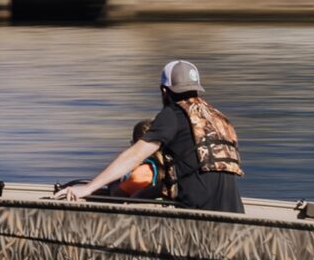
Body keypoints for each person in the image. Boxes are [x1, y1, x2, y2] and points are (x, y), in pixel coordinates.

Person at [61, 60, 244, 213]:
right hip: (233, 212)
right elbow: (196, 174)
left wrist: (88, 188)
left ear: (164, 91)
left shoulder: (173, 114)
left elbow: (135, 155)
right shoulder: (219, 118)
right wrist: (150, 192)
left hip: (197, 217)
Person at [108, 119, 170, 199]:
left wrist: (114, 180)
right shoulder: (170, 164)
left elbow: (116, 193)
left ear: (134, 145)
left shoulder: (142, 172)